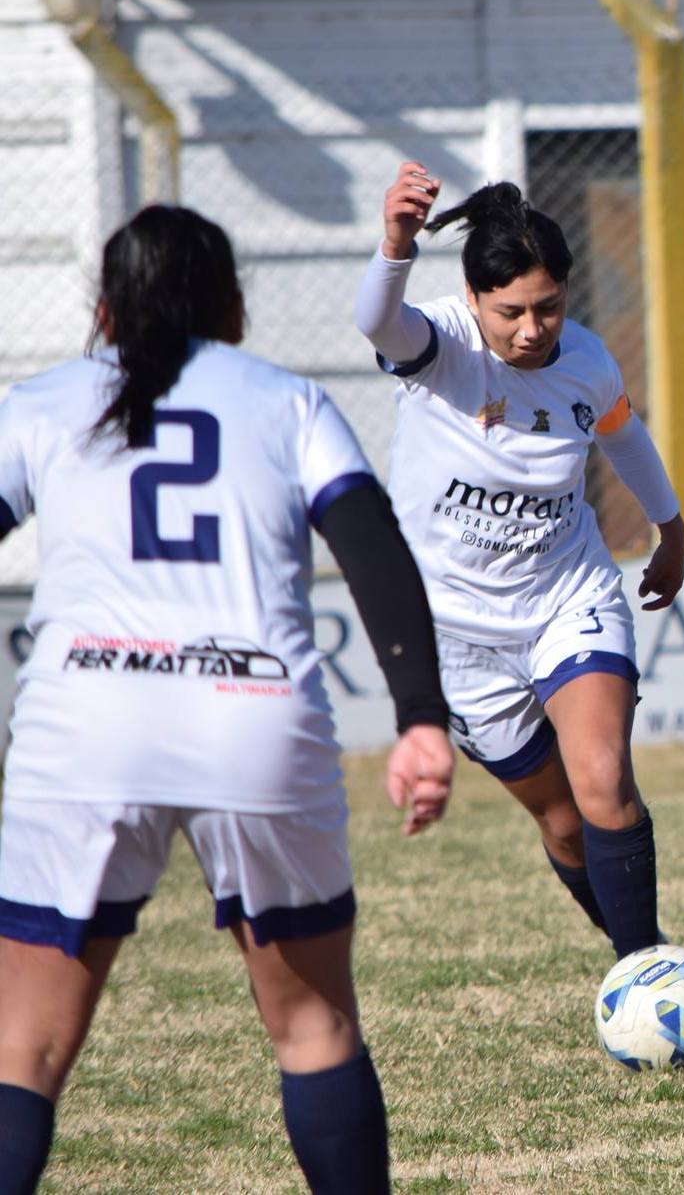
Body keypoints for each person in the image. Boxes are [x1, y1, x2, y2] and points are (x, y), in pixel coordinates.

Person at [0, 205, 454, 1194]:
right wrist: (420, 715)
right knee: (313, 1021)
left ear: (104, 309)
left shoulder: (39, 401)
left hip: (84, 722)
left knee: (22, 1049)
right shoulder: (286, 400)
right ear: (232, 303)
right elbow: (373, 547)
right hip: (251, 711)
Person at [353, 164, 684, 962]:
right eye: (511, 312)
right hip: (458, 632)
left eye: (549, 306)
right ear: (474, 300)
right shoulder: (439, 346)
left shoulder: (586, 361)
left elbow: (623, 436)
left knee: (603, 779)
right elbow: (375, 320)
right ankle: (636, 952)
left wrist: (669, 529)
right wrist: (395, 243)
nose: (532, 329)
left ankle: (646, 973)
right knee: (564, 821)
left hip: (567, 596)